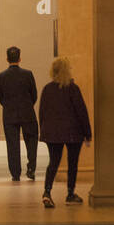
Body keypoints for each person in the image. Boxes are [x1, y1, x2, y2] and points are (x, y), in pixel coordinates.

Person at [38, 55, 92, 207]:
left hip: (52, 132)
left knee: (53, 162)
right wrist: (87, 133)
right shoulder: (73, 89)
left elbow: (42, 112)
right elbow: (81, 112)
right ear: (67, 71)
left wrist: (44, 130)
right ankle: (70, 193)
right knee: (72, 163)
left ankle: (47, 192)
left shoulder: (47, 89)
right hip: (73, 132)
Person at [0, 46, 39, 182]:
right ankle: (31, 169)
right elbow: (34, 95)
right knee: (31, 141)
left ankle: (15, 173)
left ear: (7, 59)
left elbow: (0, 97)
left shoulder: (1, 76)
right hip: (27, 112)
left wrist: (9, 106)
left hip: (9, 114)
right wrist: (27, 105)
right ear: (20, 58)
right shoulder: (28, 74)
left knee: (12, 144)